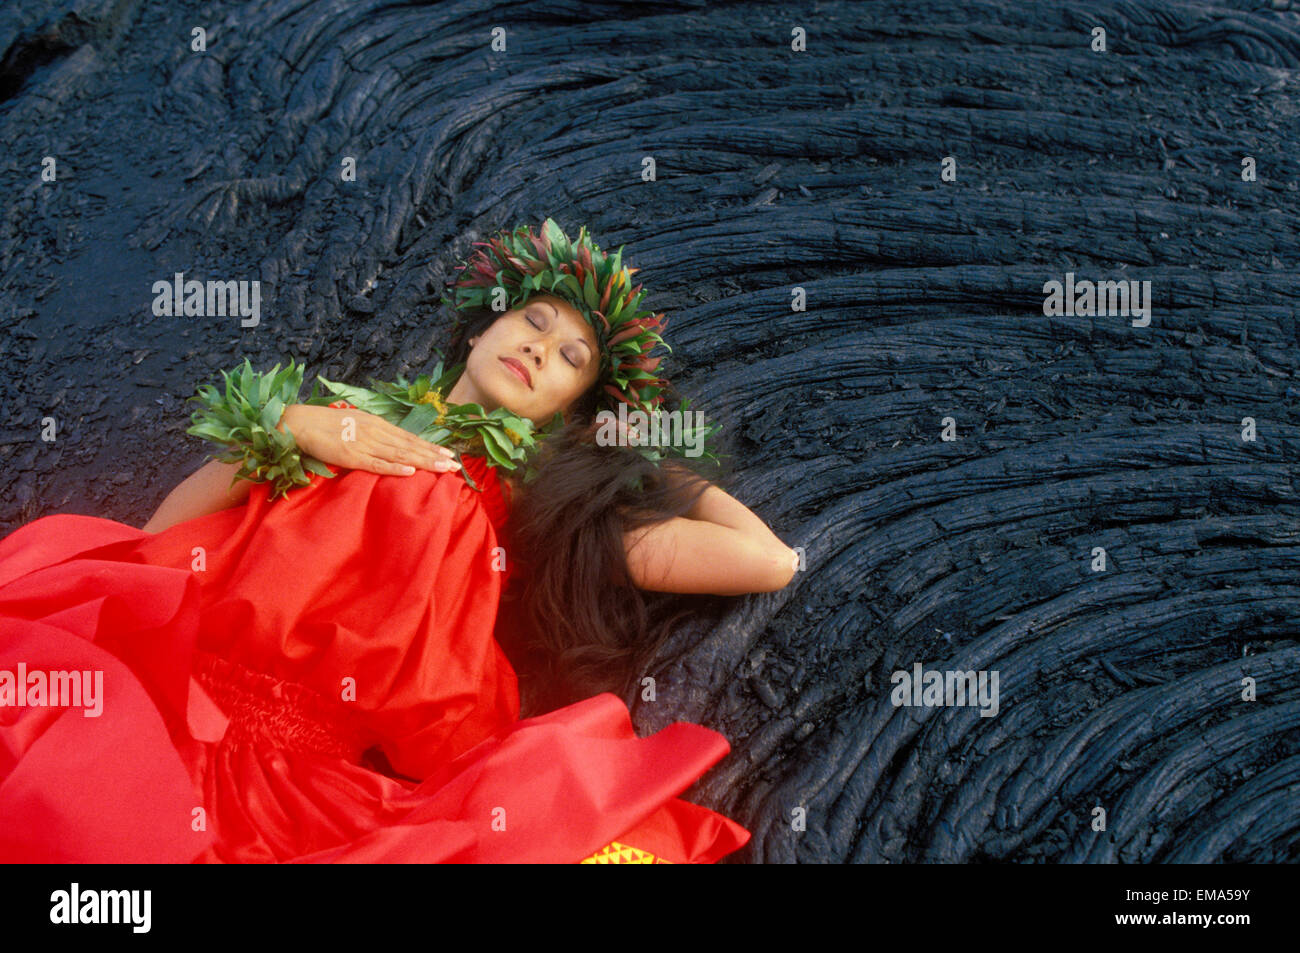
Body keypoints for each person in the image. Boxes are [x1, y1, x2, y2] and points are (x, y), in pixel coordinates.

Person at [0, 219, 795, 863]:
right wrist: (282, 425)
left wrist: (633, 448)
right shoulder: (343, 419)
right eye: (534, 321)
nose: (538, 349)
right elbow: (159, 541)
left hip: (308, 787)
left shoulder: (539, 504)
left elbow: (766, 559)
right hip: (162, 704)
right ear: (490, 323)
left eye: (570, 359)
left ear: (570, 407)